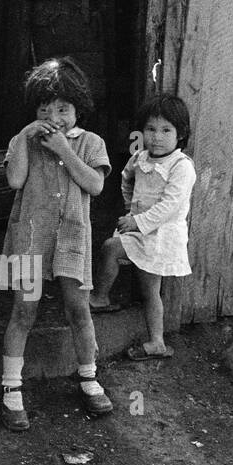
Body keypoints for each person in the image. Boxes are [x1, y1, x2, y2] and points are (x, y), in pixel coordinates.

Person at [0, 57, 113, 431]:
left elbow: (95, 186)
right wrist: (23, 136)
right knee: (24, 311)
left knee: (78, 309)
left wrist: (64, 149)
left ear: (78, 109)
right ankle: (11, 390)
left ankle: (89, 378)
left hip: (72, 239)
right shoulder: (26, 142)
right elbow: (15, 181)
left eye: (63, 109)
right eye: (45, 109)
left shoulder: (91, 143)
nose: (55, 116)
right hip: (32, 237)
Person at [90, 94, 197, 360]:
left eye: (165, 130)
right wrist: (131, 208)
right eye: (150, 129)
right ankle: (101, 298)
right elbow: (126, 180)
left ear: (180, 134)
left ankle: (156, 342)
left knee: (150, 289)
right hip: (140, 230)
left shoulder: (182, 167)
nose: (156, 137)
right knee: (111, 249)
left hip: (161, 237)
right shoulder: (140, 158)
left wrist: (137, 221)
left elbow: (170, 206)